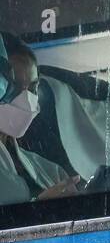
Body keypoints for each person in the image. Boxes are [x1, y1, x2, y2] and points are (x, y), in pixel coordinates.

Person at [0, 37, 82, 204]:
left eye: (33, 88)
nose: (27, 97)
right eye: (14, 86)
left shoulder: (51, 171)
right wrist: (38, 209)